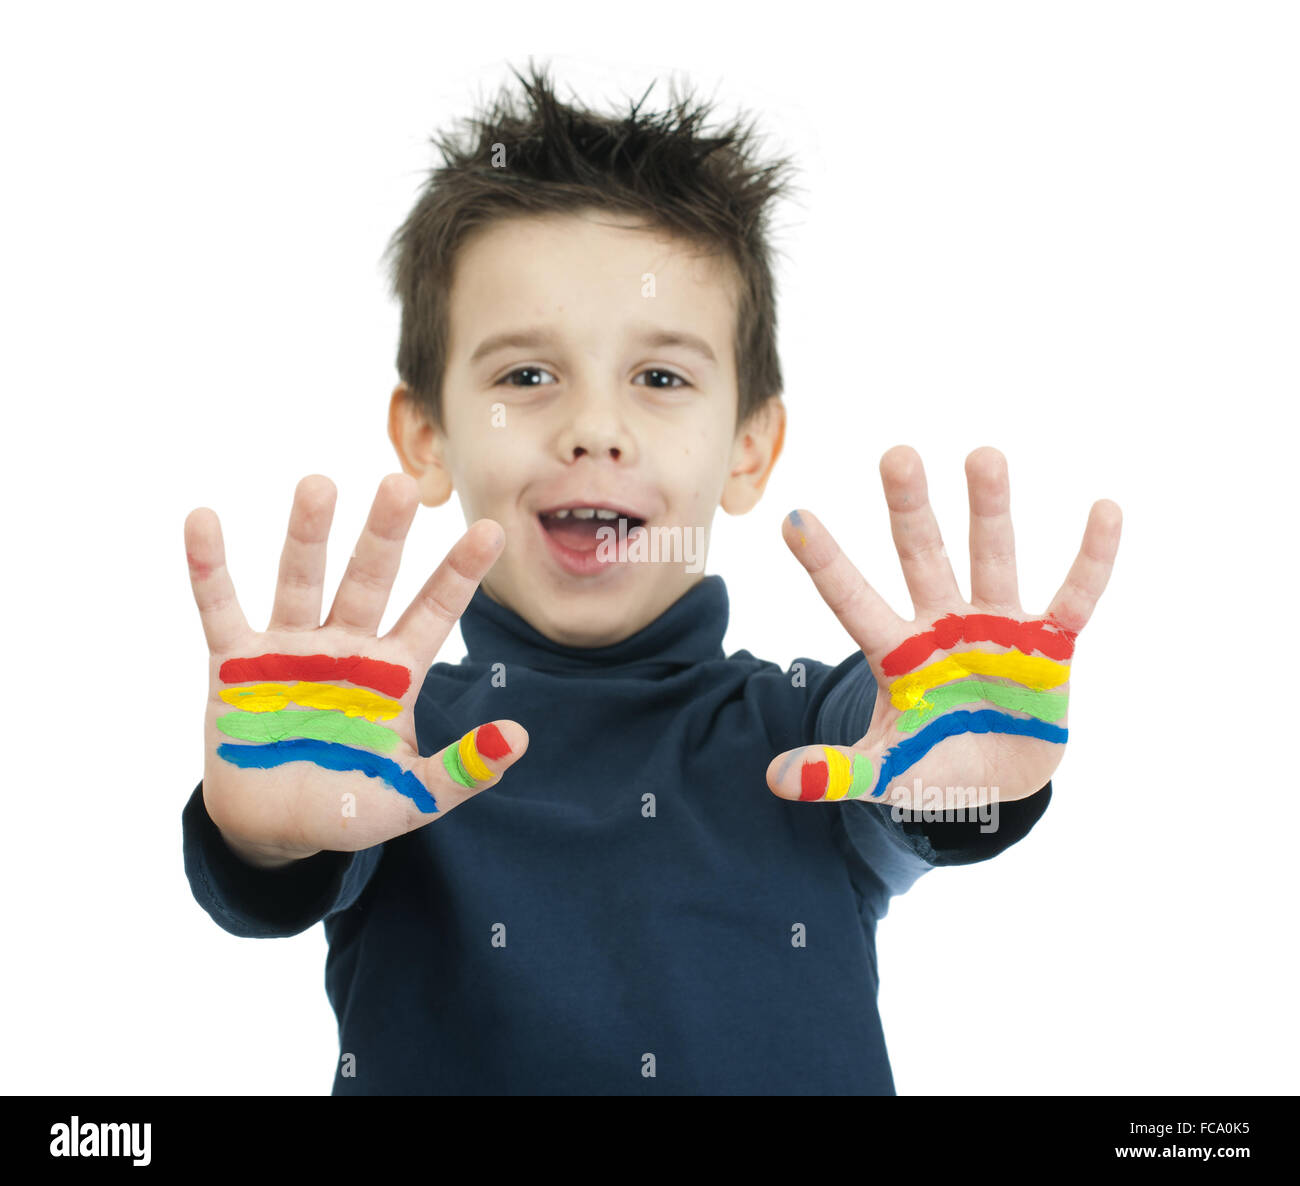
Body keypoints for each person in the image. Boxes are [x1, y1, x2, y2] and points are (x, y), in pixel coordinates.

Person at [181, 61, 1121, 1094]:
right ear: (427, 434)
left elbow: (893, 740)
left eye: (661, 377)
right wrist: (267, 841)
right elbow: (300, 839)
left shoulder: (811, 733)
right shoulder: (382, 740)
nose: (594, 428)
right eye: (526, 376)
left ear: (749, 449)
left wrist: (960, 780)